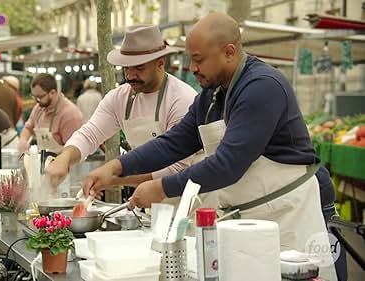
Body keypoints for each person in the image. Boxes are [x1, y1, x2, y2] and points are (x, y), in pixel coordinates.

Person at [83, 13, 338, 280]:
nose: (191, 67)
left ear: (229, 52)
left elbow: (228, 164)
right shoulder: (212, 93)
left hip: (288, 215)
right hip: (249, 218)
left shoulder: (261, 86)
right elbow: (174, 142)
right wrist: (117, 166)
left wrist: (161, 188)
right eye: (190, 59)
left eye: (198, 59)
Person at [46, 24, 198, 189]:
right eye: (126, 68)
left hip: (186, 201)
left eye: (139, 67)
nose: (130, 75)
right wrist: (65, 157)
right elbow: (90, 134)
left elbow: (176, 168)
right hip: (146, 202)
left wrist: (115, 180)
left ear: (160, 63)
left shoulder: (182, 99)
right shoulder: (119, 97)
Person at [17, 73, 83, 154]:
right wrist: (23, 140)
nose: (36, 100)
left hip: (63, 164)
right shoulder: (39, 108)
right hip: (43, 162)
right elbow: (28, 127)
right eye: (34, 96)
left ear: (52, 92)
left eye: (40, 97)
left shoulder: (70, 114)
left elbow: (73, 150)